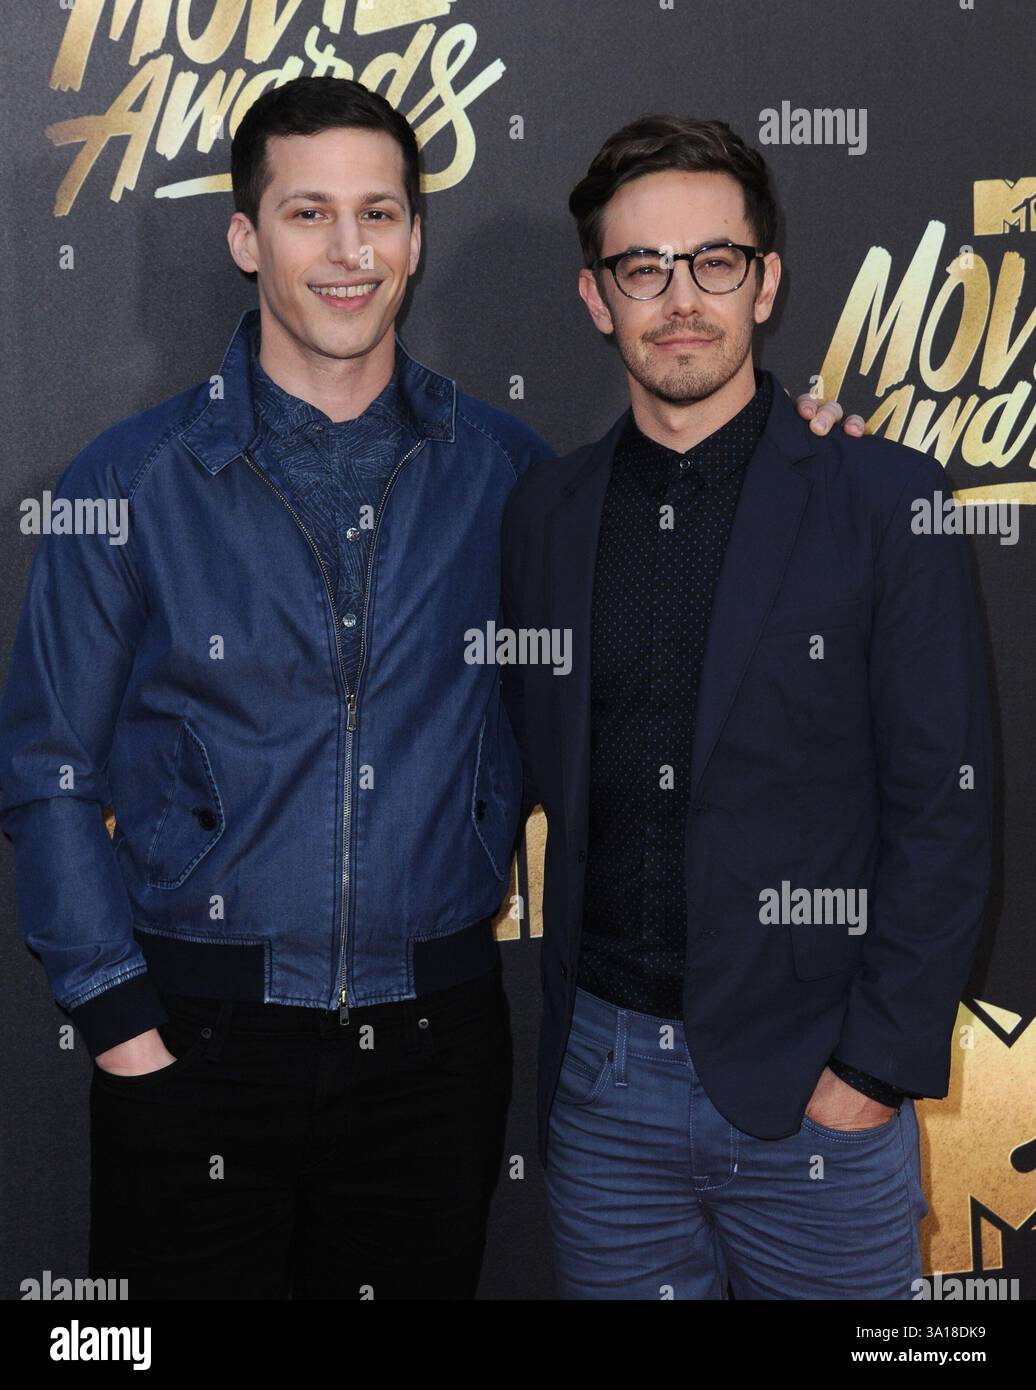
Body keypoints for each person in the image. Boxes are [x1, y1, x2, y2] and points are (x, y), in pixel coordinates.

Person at [0, 79, 855, 1301]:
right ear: (247, 238)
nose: (350, 252)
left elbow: (689, 530)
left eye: (380, 213)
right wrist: (126, 1029)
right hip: (196, 1039)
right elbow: (46, 773)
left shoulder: (514, 479)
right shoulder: (129, 482)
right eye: (309, 214)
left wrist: (805, 454)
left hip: (433, 1054)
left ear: (414, 234)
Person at [500, 114, 993, 1300]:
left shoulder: (881, 496)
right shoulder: (546, 516)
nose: (681, 298)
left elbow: (946, 806)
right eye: (643, 268)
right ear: (594, 295)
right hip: (603, 1090)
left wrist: (867, 1073)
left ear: (764, 281)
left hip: (814, 1099)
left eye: (714, 261)